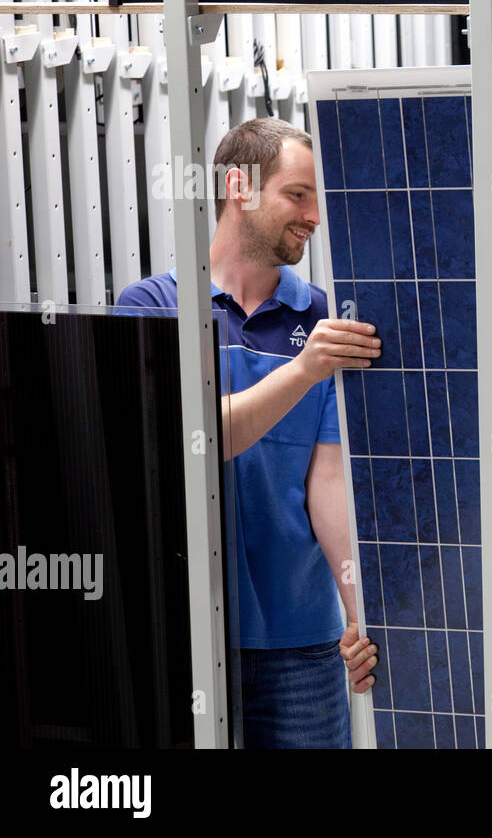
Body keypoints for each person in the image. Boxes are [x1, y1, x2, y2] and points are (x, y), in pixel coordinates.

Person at [118, 118, 381, 748]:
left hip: (304, 644)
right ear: (238, 186)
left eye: (320, 198)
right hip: (184, 638)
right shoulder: (153, 309)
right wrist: (303, 369)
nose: (314, 215)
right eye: (298, 194)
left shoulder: (324, 318)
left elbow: (330, 478)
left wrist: (357, 613)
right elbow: (193, 444)